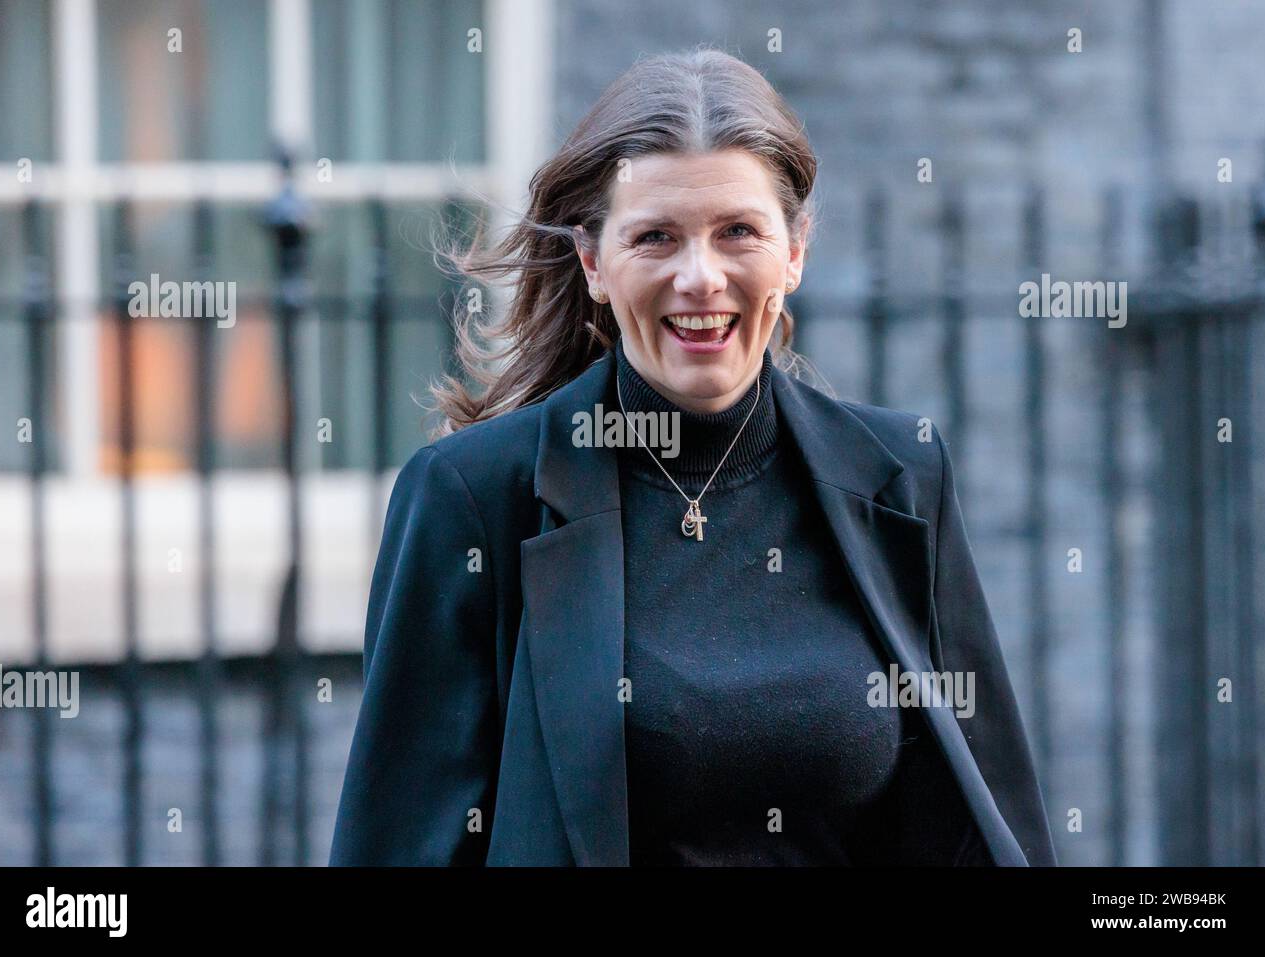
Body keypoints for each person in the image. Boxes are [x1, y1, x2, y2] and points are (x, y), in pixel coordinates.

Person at [329, 46, 1056, 866]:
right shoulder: (474, 498)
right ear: (594, 262)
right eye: (657, 238)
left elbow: (982, 822)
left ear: (795, 250)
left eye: (738, 231)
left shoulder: (899, 479)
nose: (700, 276)